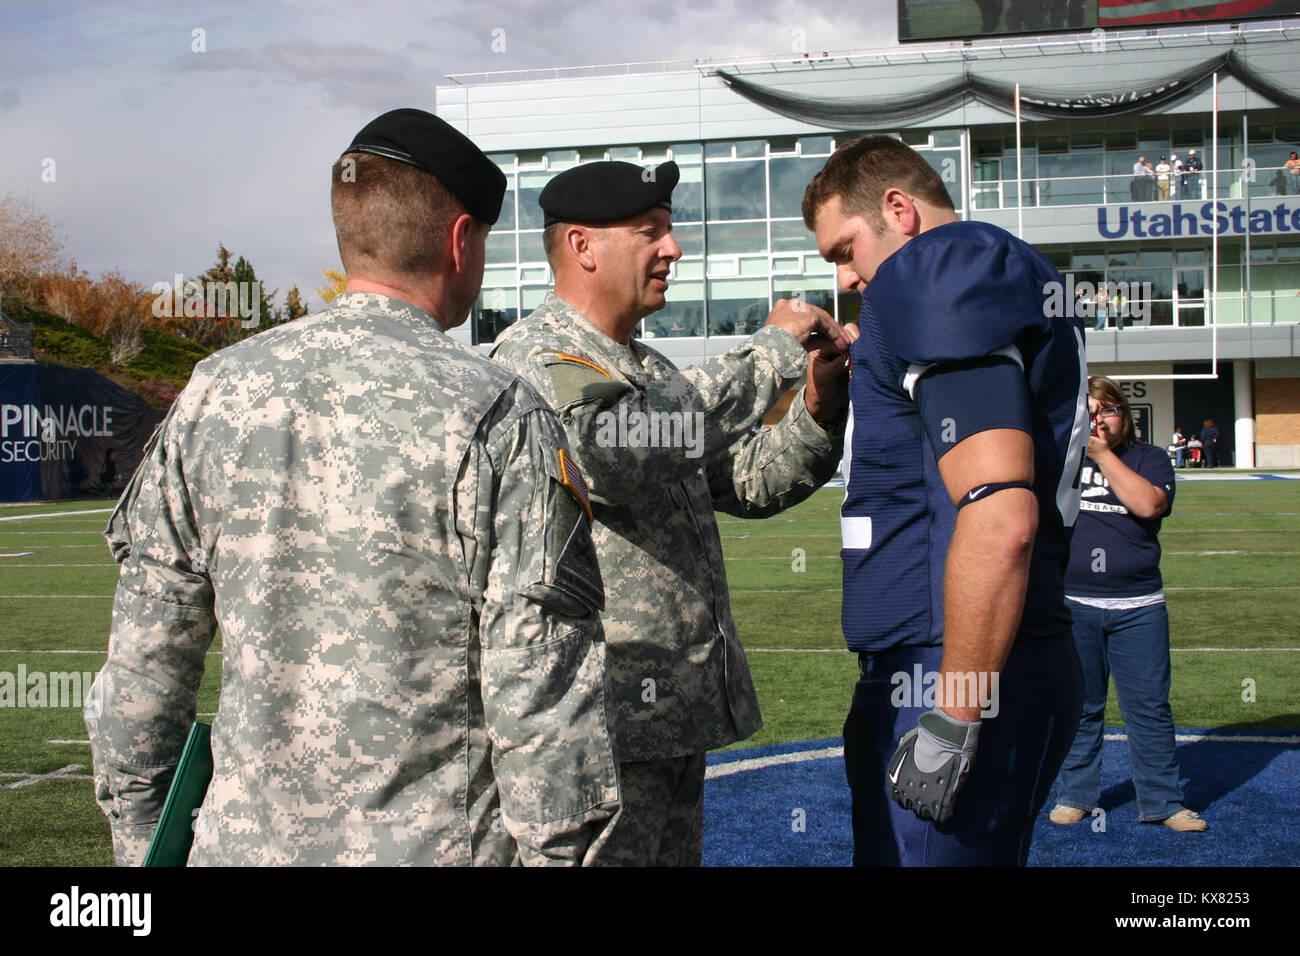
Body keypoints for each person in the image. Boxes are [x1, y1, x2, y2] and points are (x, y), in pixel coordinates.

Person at [84, 108, 620, 866]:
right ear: (461, 240)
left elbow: (142, 673)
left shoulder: (212, 393)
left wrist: (143, 847)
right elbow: (543, 702)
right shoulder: (501, 409)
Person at [491, 160, 852, 866]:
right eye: (650, 231)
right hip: (598, 728)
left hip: (669, 719)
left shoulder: (650, 370)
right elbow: (619, 456)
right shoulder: (538, 355)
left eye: (670, 230)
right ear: (583, 247)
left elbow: (745, 482)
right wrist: (772, 350)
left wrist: (819, 404)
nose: (673, 248)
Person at [802, 134, 1089, 866]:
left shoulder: (938, 267)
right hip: (963, 656)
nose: (846, 276)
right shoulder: (960, 279)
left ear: (898, 210)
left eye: (844, 249)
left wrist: (955, 716)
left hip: (956, 667)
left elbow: (1001, 518)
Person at [1050, 377, 1207, 833]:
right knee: (1081, 706)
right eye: (1090, 410)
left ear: (1126, 415)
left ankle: (1163, 801)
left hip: (1140, 606)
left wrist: (1101, 456)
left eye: (1109, 410)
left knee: (1149, 708)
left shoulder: (1149, 459)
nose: (1099, 418)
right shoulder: (1063, 458)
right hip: (1075, 603)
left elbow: (1148, 504)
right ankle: (1076, 794)